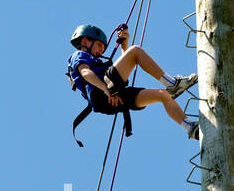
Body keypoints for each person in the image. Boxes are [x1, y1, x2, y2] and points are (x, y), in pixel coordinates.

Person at [68, 24, 200, 141]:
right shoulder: (80, 55)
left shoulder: (97, 63)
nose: (101, 50)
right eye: (99, 45)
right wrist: (105, 89)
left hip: (111, 98)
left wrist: (124, 44)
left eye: (103, 47)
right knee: (135, 51)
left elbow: (126, 67)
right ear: (84, 41)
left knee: (163, 95)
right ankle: (172, 84)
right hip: (102, 92)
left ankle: (190, 128)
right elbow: (85, 73)